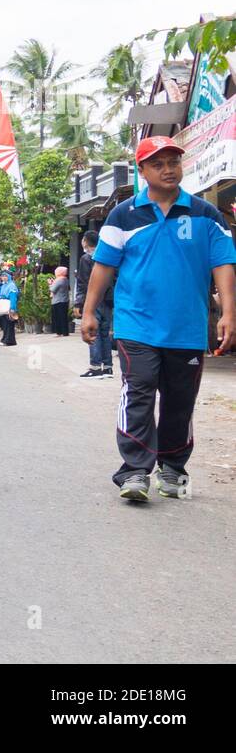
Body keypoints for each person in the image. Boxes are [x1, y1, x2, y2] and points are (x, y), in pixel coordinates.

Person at [81, 136, 236, 502]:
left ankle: (172, 467)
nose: (168, 169)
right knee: (139, 390)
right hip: (136, 323)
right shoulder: (123, 215)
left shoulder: (205, 214)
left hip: (187, 326)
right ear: (143, 171)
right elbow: (103, 267)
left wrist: (229, 313)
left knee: (180, 400)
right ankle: (134, 470)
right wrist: (89, 311)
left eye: (174, 162)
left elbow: (223, 264)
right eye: (159, 163)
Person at [74, 230, 114, 378]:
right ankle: (108, 367)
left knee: (93, 333)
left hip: (94, 301)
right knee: (104, 333)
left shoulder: (86, 258)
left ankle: (95, 367)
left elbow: (83, 282)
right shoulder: (107, 257)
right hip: (109, 300)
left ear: (85, 241)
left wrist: (79, 303)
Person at [0, 270, 19, 346]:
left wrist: (12, 308)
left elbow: (13, 297)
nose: (3, 277)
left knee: (8, 324)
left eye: (5, 276)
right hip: (2, 306)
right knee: (4, 325)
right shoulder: (3, 285)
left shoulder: (11, 285)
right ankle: (7, 340)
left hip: (8, 307)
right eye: (2, 276)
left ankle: (7, 341)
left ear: (9, 277)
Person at [49, 265, 70, 336]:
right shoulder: (66, 279)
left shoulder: (59, 280)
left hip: (58, 301)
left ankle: (59, 332)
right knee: (64, 317)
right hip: (64, 300)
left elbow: (52, 289)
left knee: (58, 317)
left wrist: (50, 284)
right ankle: (65, 332)